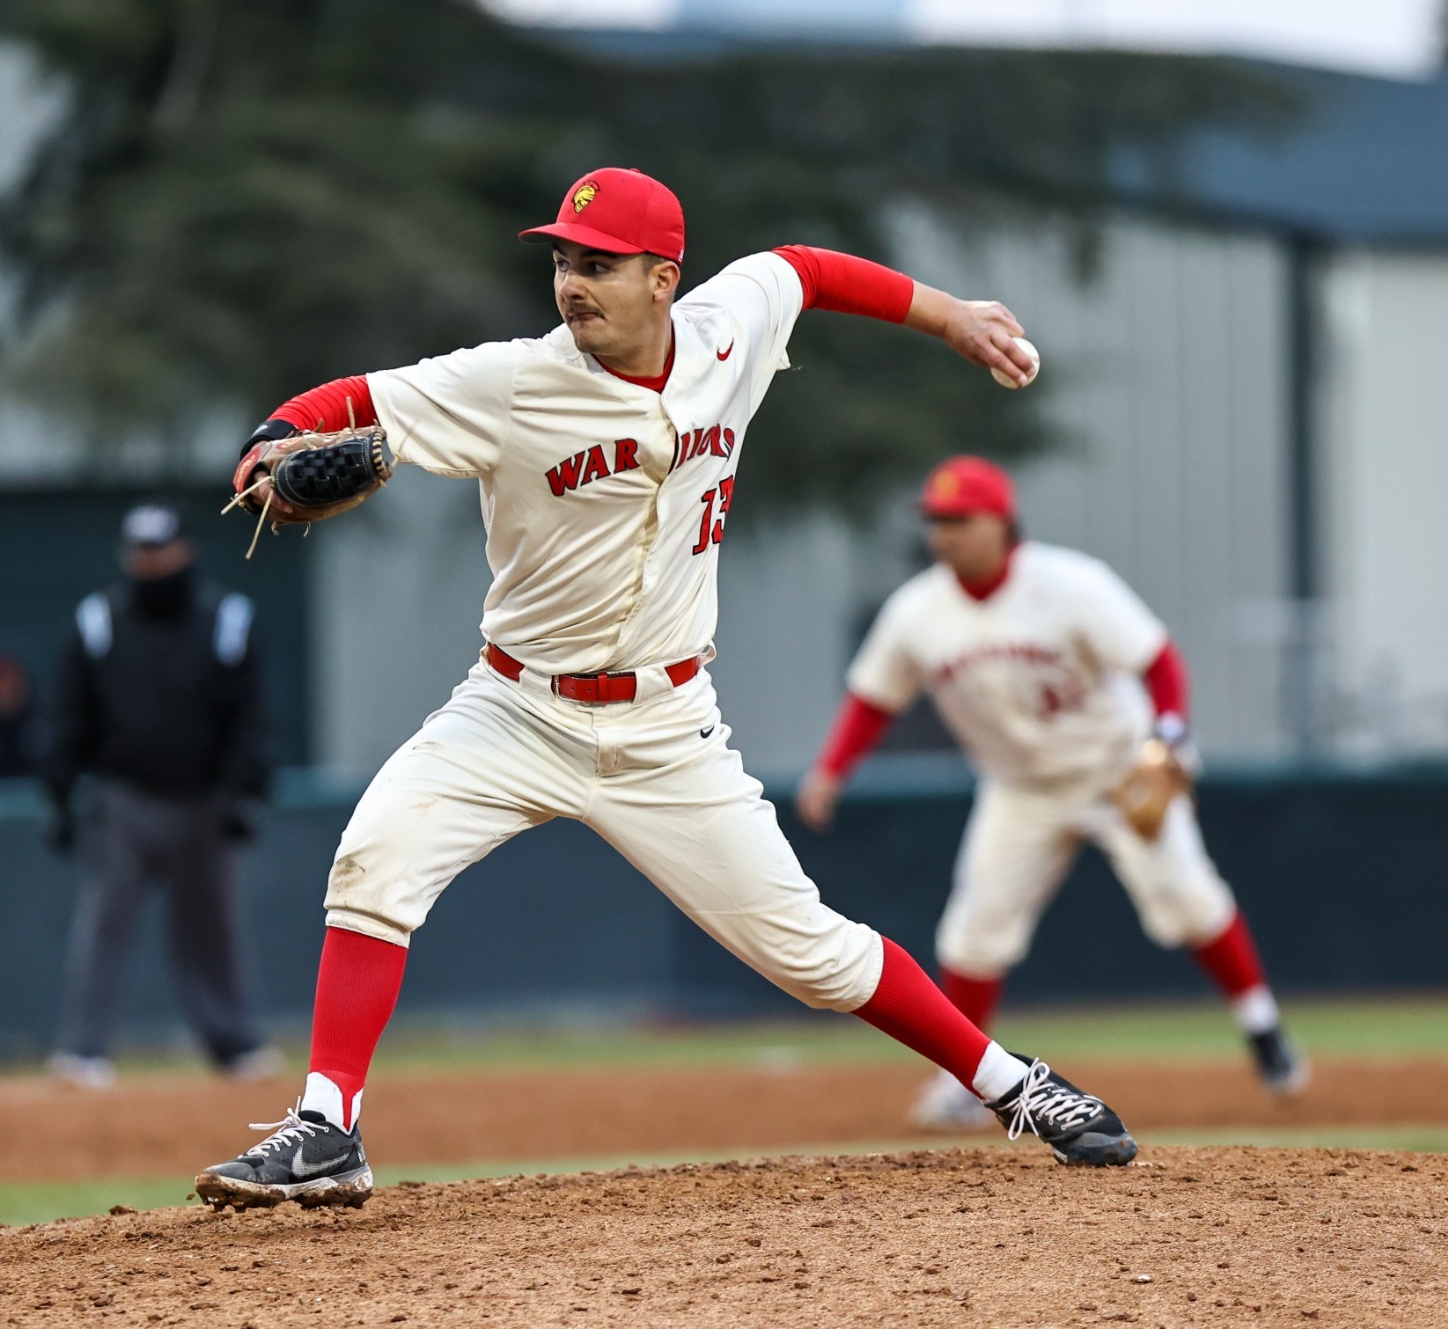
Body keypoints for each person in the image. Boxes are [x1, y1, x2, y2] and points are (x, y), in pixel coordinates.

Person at [194, 167, 1138, 1214]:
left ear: (661, 279)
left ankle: (1015, 1088)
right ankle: (329, 1129)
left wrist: (949, 316)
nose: (571, 282)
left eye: (597, 265)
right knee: (375, 859)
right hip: (514, 708)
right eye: (561, 260)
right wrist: (267, 445)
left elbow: (806, 269)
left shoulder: (726, 333)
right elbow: (349, 402)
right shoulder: (510, 381)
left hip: (667, 727)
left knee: (810, 956)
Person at [797, 455, 1307, 1131]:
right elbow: (873, 697)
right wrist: (833, 769)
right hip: (1020, 789)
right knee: (974, 931)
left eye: (957, 520)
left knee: (1188, 900)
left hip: (1116, 770)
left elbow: (1158, 660)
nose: (942, 534)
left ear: (1002, 523)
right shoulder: (917, 610)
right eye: (934, 521)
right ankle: (964, 1080)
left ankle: (1264, 1030)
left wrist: (1173, 736)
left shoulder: (1071, 585)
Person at [41, 503, 279, 1088]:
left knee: (211, 930)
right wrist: (60, 792)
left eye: (161, 550)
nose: (151, 563)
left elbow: (252, 716)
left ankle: (234, 1045)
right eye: (140, 552)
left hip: (205, 798)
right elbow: (72, 713)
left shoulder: (228, 618)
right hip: (125, 798)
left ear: (185, 550)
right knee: (104, 926)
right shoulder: (99, 620)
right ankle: (85, 1049)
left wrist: (245, 792)